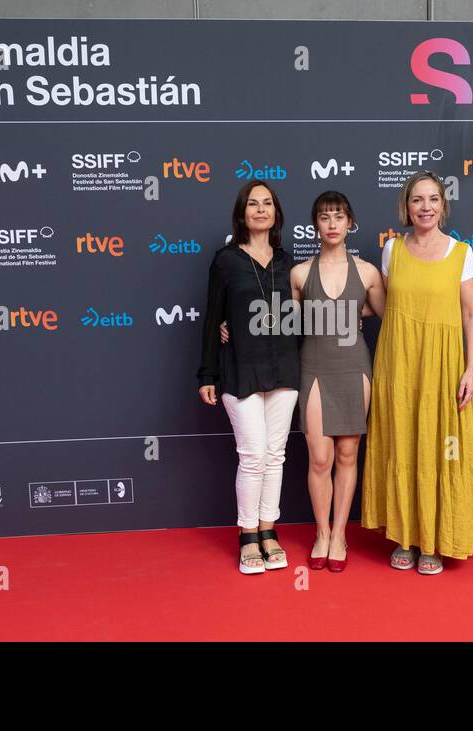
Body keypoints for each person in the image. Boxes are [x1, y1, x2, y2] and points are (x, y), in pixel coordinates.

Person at [362, 170, 473, 575]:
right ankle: (406, 535)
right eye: (417, 200)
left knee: (442, 447)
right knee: (403, 442)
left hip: (443, 365)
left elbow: (472, 313)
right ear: (406, 206)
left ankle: (435, 538)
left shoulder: (461, 252)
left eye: (433, 199)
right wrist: (322, 310)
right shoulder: (391, 251)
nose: (425, 207)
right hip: (399, 363)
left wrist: (470, 369)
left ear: (443, 205)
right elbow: (383, 306)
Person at [197, 181, 299, 575]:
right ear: (242, 214)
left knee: (276, 455)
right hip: (240, 367)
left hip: (285, 368)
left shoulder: (289, 262)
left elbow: (303, 314)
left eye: (267, 204)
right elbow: (211, 317)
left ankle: (269, 530)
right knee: (253, 455)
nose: (260, 210)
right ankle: (247, 535)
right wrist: (207, 372)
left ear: (276, 213)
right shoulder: (225, 260)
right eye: (252, 204)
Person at [291, 192, 384, 572]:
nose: (332, 224)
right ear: (316, 225)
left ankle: (341, 534)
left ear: (350, 224)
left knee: (348, 455)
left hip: (354, 367)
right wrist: (231, 325)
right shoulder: (298, 274)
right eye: (325, 217)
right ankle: (321, 533)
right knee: (320, 457)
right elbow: (284, 323)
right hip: (314, 367)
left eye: (339, 217)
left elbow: (391, 315)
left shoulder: (367, 272)